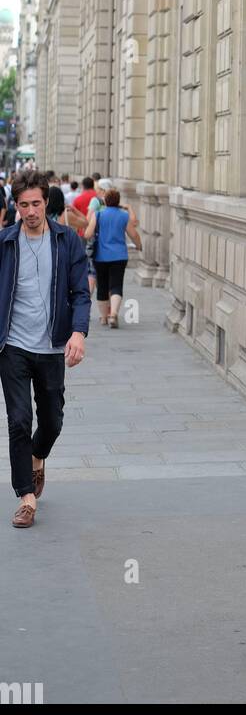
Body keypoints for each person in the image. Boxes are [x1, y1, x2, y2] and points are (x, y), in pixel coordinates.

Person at [0, 170, 90, 527]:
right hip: (13, 347)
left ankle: (38, 456)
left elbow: (80, 293)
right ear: (16, 206)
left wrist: (78, 333)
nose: (31, 211)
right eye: (24, 205)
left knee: (52, 419)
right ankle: (26, 497)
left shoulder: (67, 241)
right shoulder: (5, 242)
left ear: (46, 202)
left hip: (52, 347)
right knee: (19, 420)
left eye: (36, 203)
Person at [85, 187, 141, 328]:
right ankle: (114, 313)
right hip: (119, 255)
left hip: (100, 256)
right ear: (118, 201)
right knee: (116, 285)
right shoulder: (123, 215)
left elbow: (87, 234)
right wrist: (139, 245)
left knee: (102, 286)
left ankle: (104, 318)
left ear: (105, 200)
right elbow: (133, 234)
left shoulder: (98, 215)